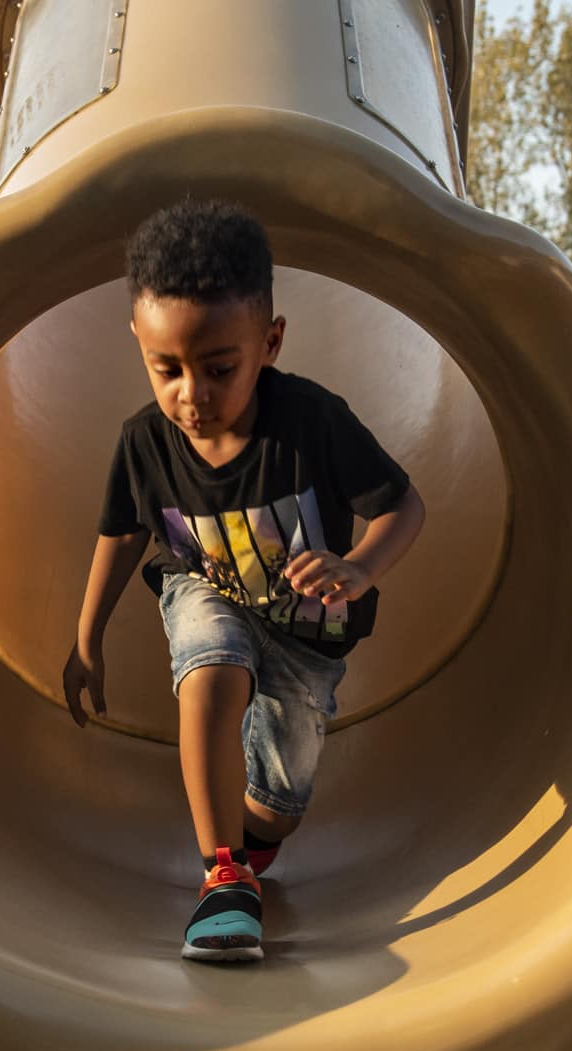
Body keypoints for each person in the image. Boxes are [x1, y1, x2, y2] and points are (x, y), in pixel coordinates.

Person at [64, 199, 426, 963]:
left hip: (306, 631)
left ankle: (251, 843)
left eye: (218, 368)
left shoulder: (312, 421)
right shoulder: (146, 442)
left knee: (279, 807)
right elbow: (124, 532)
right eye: (166, 369)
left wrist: (358, 567)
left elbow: (404, 505)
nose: (190, 394)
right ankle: (223, 876)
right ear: (140, 344)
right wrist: (85, 636)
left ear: (269, 342)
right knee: (212, 667)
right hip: (207, 587)